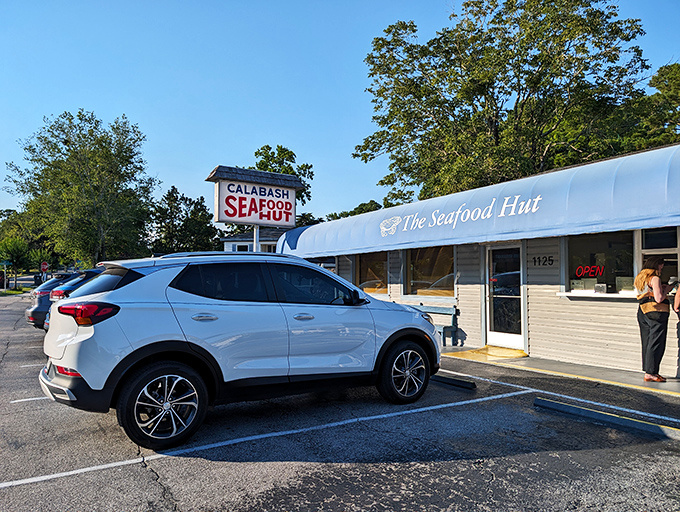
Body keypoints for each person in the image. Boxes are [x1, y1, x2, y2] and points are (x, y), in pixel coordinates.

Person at [635, 257, 675, 382]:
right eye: (661, 267)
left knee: (647, 341)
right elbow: (658, 298)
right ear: (656, 265)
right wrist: (666, 290)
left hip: (643, 311)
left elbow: (648, 292)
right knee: (657, 342)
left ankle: (648, 370)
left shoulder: (641, 277)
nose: (661, 270)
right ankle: (652, 373)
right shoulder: (655, 278)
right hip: (656, 313)